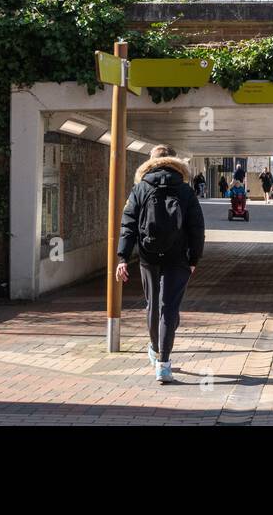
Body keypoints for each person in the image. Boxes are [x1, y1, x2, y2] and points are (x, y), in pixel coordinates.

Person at [115, 145, 206, 384]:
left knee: (153, 305)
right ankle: (164, 365)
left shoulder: (140, 189)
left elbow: (128, 224)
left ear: (151, 162)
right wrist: (194, 258)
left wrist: (123, 258)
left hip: (148, 256)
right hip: (178, 258)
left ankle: (155, 352)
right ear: (174, 163)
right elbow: (197, 228)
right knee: (169, 308)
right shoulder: (186, 191)